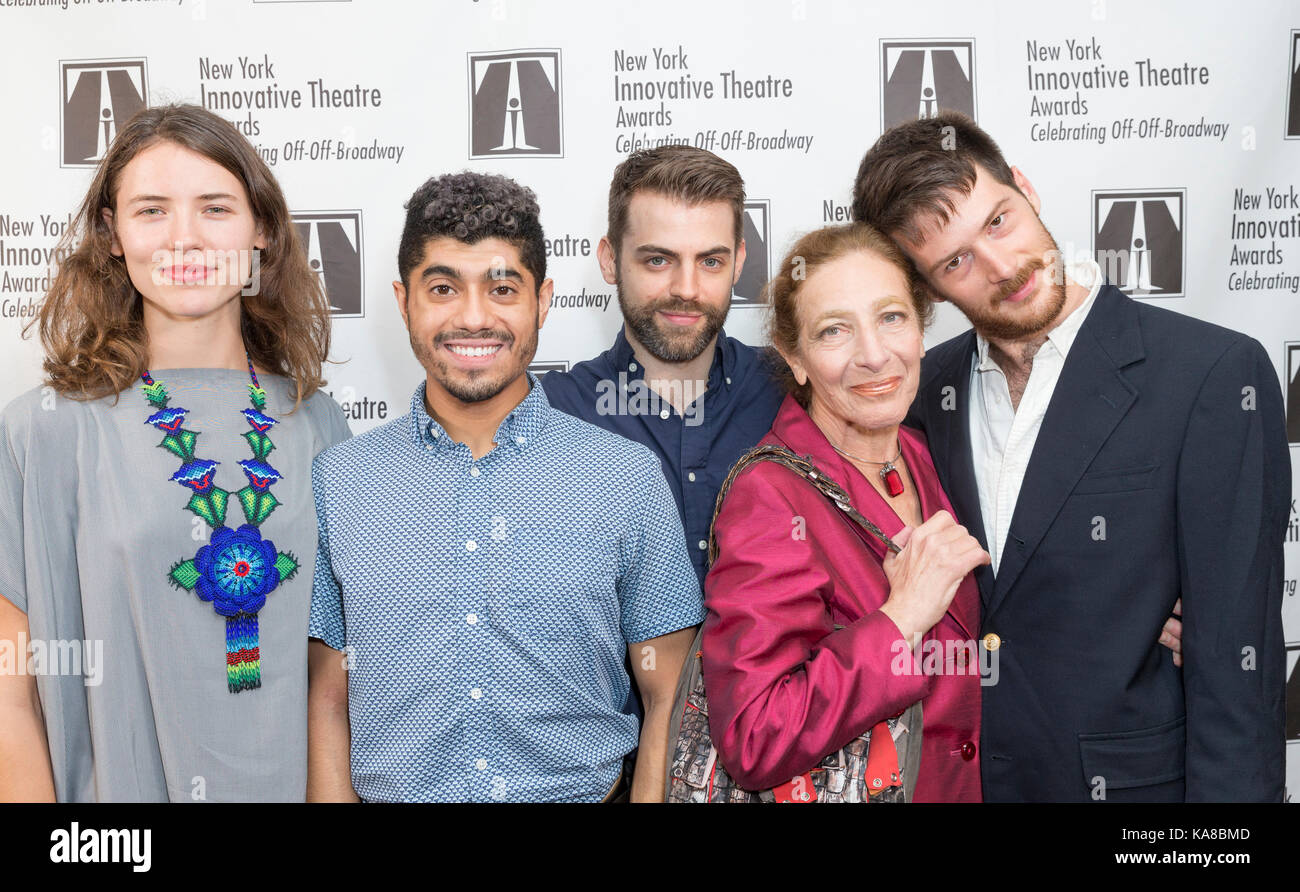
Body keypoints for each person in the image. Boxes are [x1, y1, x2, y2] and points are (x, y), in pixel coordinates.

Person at [852, 112, 1288, 801]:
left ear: (1024, 187)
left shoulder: (1210, 374)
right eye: (955, 261)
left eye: (998, 221)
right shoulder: (918, 393)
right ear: (928, 289)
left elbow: (1240, 673)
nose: (1002, 267)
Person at [306, 171, 702, 803]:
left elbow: (669, 689)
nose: (473, 318)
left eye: (502, 288)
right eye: (442, 288)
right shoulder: (339, 481)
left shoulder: (624, 478)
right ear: (403, 301)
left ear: (542, 302)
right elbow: (327, 696)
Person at [0, 104, 350, 802]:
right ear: (112, 236)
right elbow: (9, 699)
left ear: (261, 233)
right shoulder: (44, 429)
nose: (184, 239)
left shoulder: (318, 423)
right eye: (152, 210)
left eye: (215, 208)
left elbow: (331, 680)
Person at [702, 223, 989, 802]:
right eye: (835, 330)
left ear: (921, 331)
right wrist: (900, 617)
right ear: (795, 357)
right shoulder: (771, 494)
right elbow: (754, 735)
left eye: (892, 317)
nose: (875, 354)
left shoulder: (932, 453)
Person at [542, 146, 785, 590]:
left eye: (711, 261)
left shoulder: (790, 388)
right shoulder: (552, 412)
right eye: (658, 260)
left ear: (739, 262)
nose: (686, 289)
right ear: (610, 260)